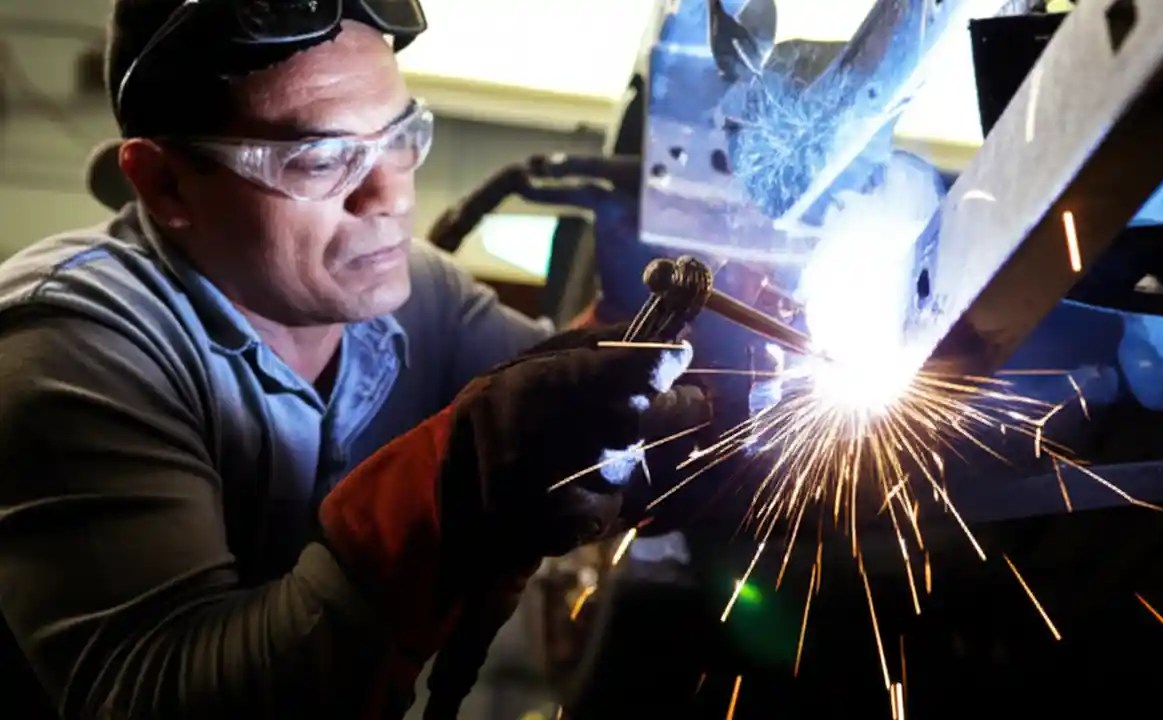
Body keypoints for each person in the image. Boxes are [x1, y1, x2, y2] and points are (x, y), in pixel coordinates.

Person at [0, 1, 706, 718]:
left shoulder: (417, 292)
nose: (391, 194)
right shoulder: (70, 345)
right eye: (321, 158)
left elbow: (575, 415)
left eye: (400, 136)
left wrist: (642, 327)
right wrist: (428, 497)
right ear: (166, 185)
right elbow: (163, 700)